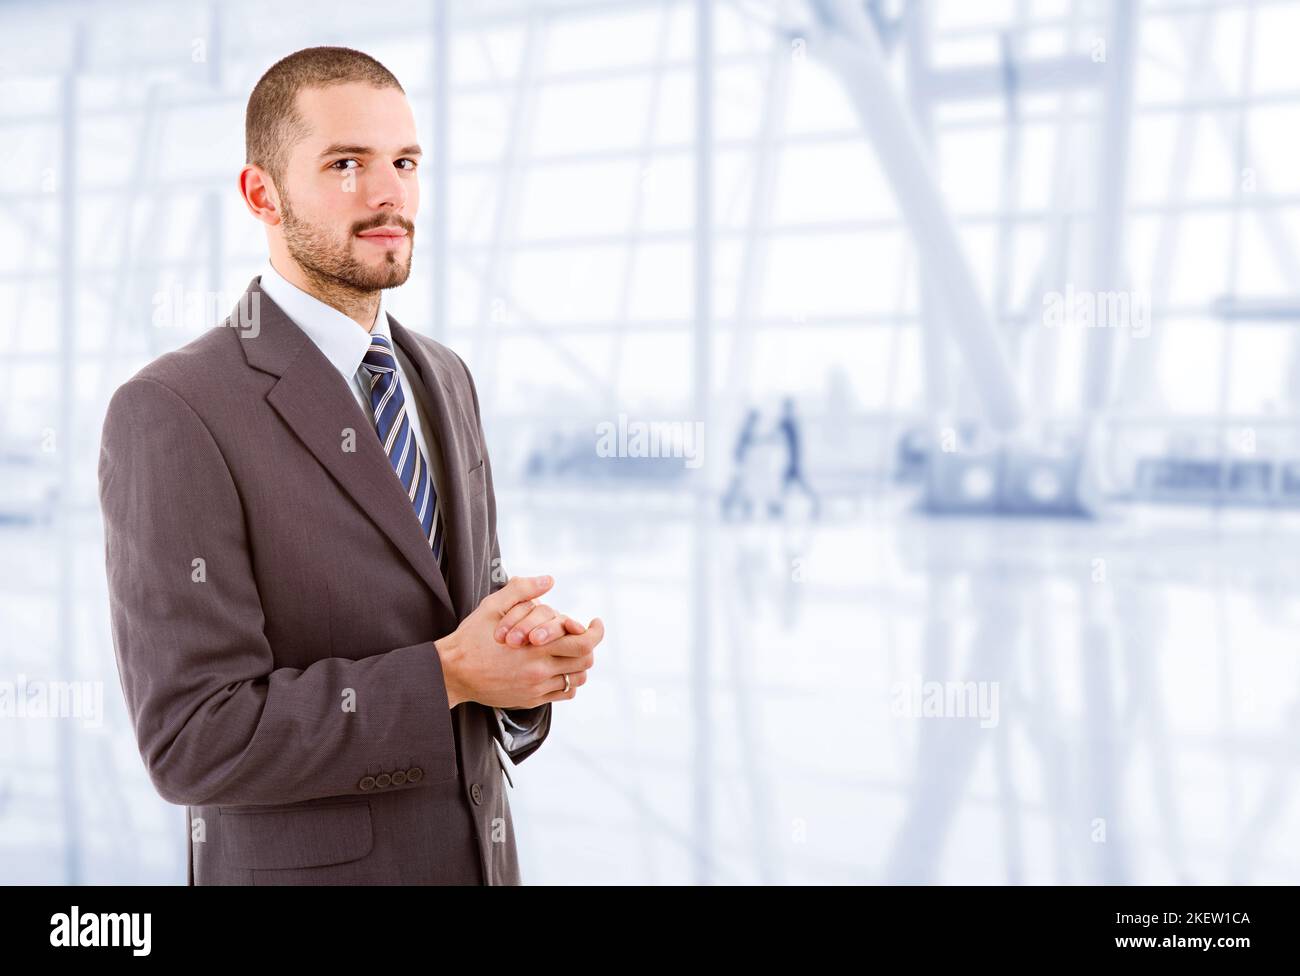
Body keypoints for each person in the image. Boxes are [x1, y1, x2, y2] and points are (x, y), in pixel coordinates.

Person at [97, 46, 604, 885]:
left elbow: (456, 617)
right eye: (346, 164)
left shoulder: (443, 376)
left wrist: (521, 662)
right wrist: (446, 674)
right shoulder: (174, 411)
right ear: (261, 194)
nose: (388, 194)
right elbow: (193, 740)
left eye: (404, 162)